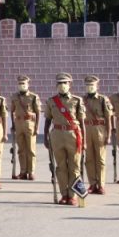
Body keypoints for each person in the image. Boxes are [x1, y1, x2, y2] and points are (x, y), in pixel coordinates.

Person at [44, 73, 85, 206]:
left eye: (65, 83)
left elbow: (81, 122)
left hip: (73, 134)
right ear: (56, 85)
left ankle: (73, 195)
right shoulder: (51, 101)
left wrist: (84, 140)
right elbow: (48, 120)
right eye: (60, 83)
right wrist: (45, 137)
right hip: (57, 134)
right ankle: (64, 194)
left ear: (69, 84)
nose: (62, 86)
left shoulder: (76, 101)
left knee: (74, 166)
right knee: (61, 166)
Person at [82, 75, 113, 194]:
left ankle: (101, 184)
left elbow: (108, 118)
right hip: (87, 129)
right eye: (88, 86)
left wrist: (109, 134)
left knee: (100, 159)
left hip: (99, 129)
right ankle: (92, 183)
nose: (90, 87)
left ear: (97, 86)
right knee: (89, 158)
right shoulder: (82, 100)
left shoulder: (102, 99)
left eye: (92, 85)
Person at [10, 75, 41, 180]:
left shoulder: (33, 97)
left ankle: (31, 171)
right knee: (21, 149)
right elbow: (12, 111)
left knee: (31, 149)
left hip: (29, 123)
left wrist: (37, 126)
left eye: (23, 83)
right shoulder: (14, 96)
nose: (21, 85)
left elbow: (37, 112)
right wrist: (13, 125)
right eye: (20, 83)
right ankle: (23, 171)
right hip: (18, 123)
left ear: (28, 84)